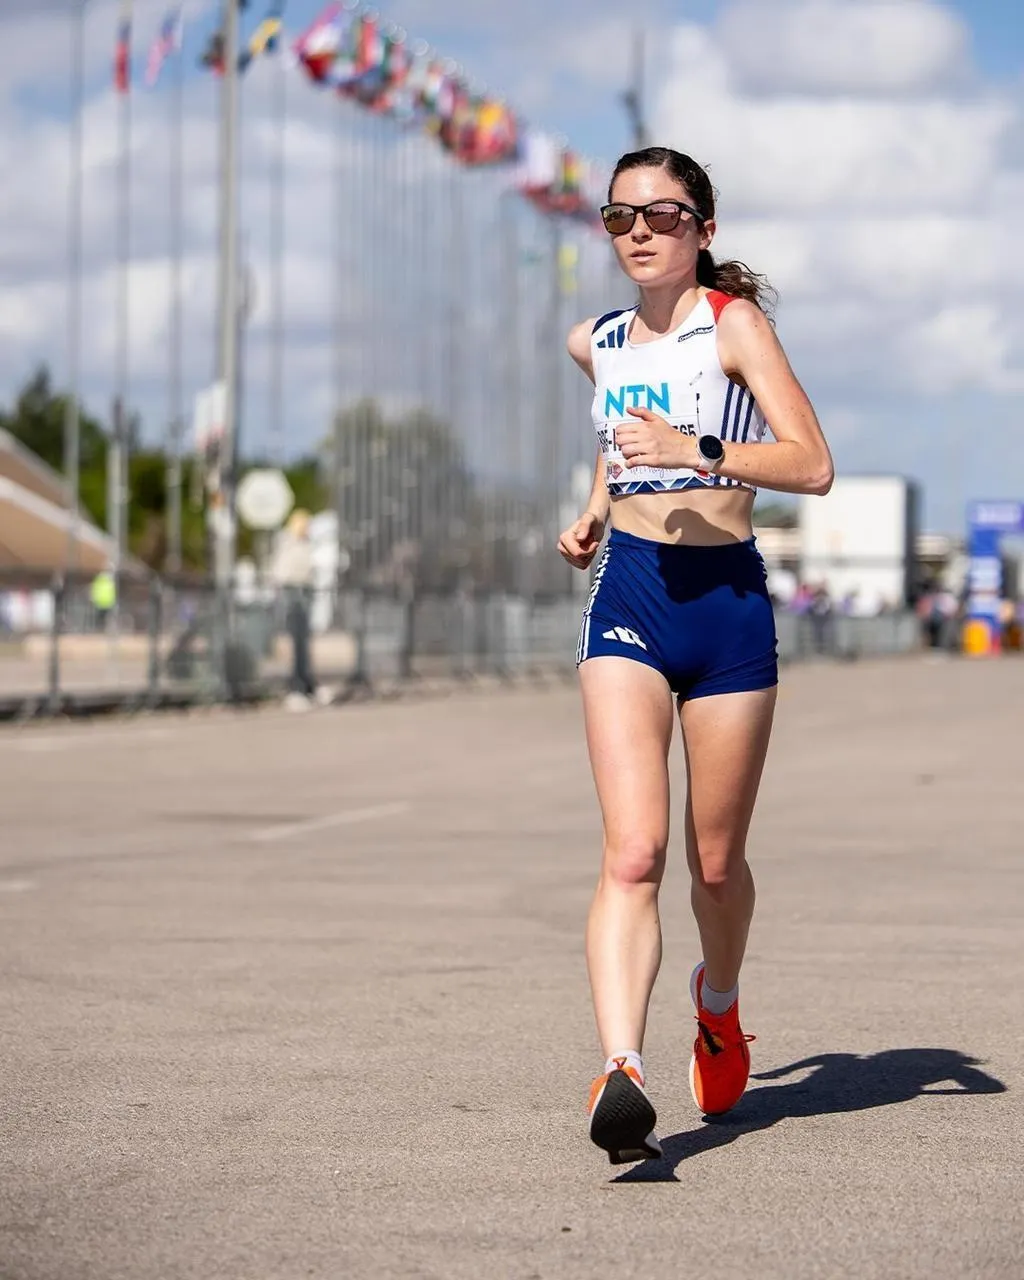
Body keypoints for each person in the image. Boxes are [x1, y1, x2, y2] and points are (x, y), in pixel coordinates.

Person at [559, 146, 834, 1164]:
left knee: (715, 864)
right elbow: (611, 434)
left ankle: (717, 1005)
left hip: (724, 606)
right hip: (629, 596)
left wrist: (699, 450)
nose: (639, 232)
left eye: (662, 215)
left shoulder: (736, 327)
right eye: (619, 216)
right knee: (632, 851)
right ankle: (620, 1067)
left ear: (702, 231)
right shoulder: (594, 340)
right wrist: (593, 511)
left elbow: (813, 462)